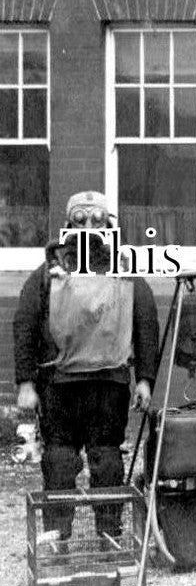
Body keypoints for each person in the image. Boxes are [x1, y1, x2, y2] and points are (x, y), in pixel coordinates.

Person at [13, 191, 159, 543]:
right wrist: (26, 383)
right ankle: (57, 535)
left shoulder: (126, 271)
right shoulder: (47, 274)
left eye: (97, 219)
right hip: (59, 383)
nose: (89, 226)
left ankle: (108, 533)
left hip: (108, 386)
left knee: (107, 457)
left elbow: (145, 323)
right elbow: (25, 324)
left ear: (109, 223)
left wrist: (145, 379)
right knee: (60, 458)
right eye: (81, 219)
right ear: (68, 225)